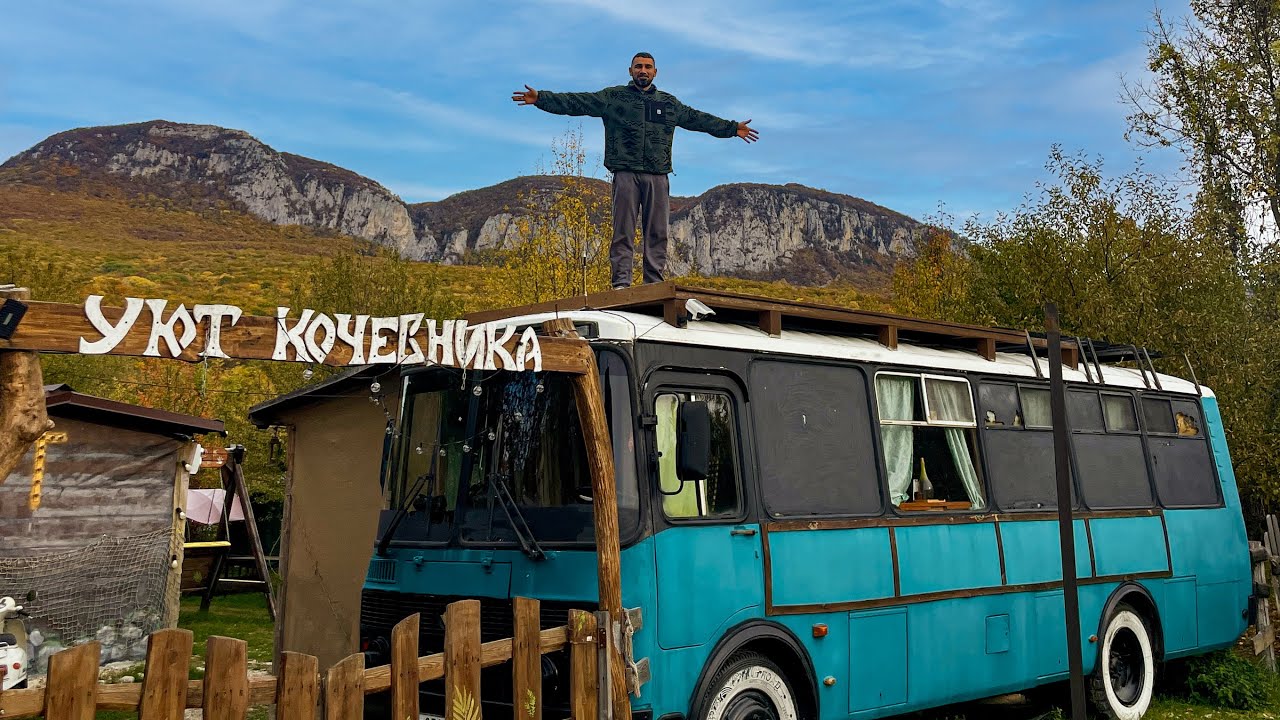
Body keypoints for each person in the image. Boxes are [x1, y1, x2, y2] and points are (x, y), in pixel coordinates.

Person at [512, 52, 758, 289]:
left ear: (655, 72)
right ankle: (621, 283)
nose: (643, 71)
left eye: (647, 67)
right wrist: (542, 98)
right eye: (638, 66)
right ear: (630, 71)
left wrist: (732, 128)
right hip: (625, 174)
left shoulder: (669, 103)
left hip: (658, 175)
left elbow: (698, 119)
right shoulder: (614, 97)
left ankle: (653, 284)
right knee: (623, 231)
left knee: (657, 232)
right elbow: (578, 102)